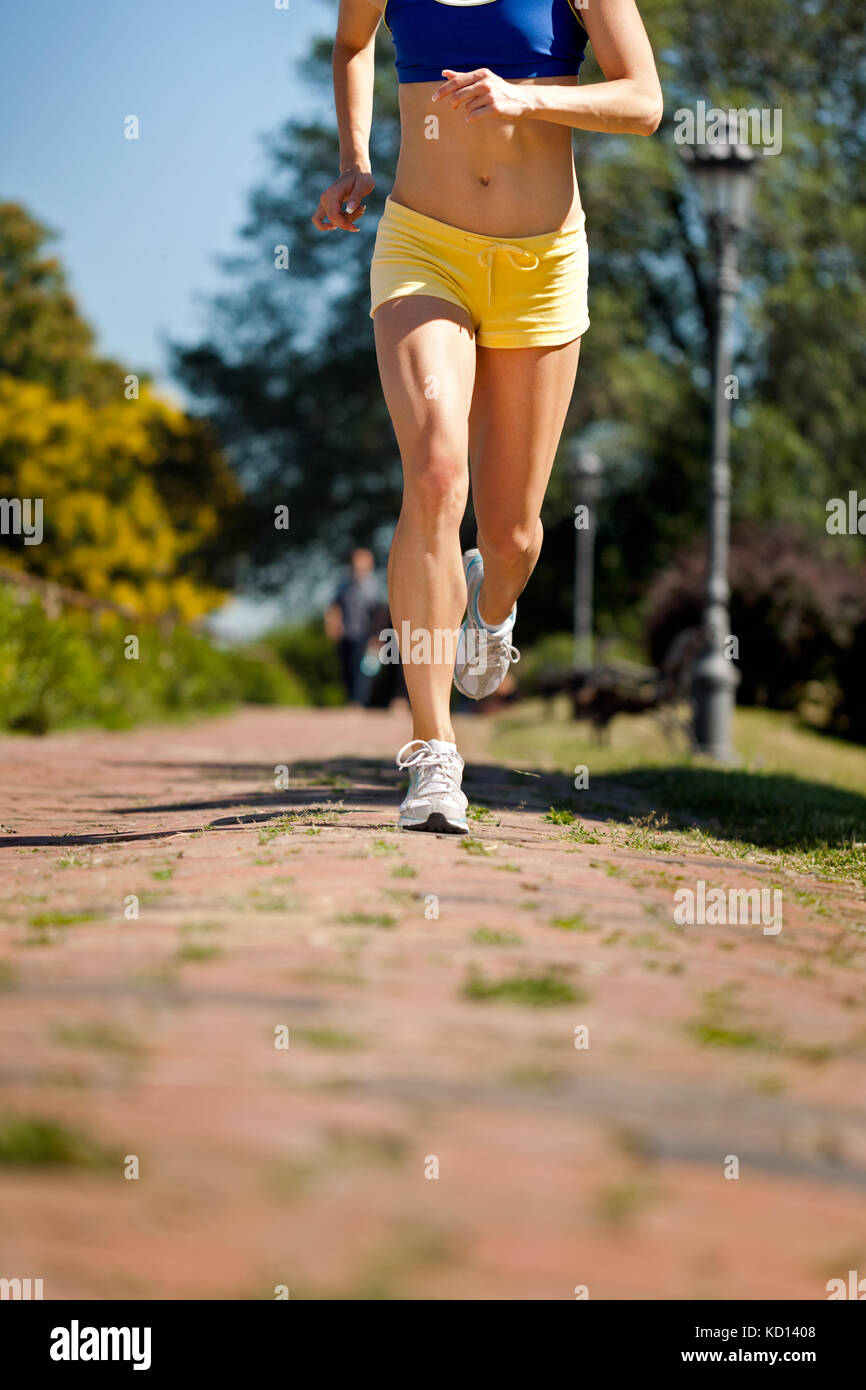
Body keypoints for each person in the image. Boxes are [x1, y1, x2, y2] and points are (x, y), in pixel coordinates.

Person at [314, 0, 662, 832]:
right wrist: (356, 159)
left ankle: (493, 603)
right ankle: (433, 756)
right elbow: (353, 43)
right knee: (436, 472)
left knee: (512, 535)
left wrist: (526, 96)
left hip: (542, 266)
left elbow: (644, 100)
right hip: (424, 246)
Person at [325, 547, 380, 705]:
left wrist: (376, 637)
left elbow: (378, 613)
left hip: (365, 635)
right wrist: (332, 625)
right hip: (346, 634)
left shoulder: (373, 586)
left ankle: (358, 701)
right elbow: (334, 606)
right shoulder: (343, 584)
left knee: (362, 669)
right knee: (347, 667)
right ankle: (350, 699)